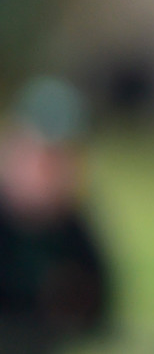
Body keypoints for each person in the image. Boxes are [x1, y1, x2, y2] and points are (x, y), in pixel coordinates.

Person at [0, 77, 110, 353]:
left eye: (60, 158)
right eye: (41, 156)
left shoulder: (75, 232)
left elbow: (100, 315)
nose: (46, 170)